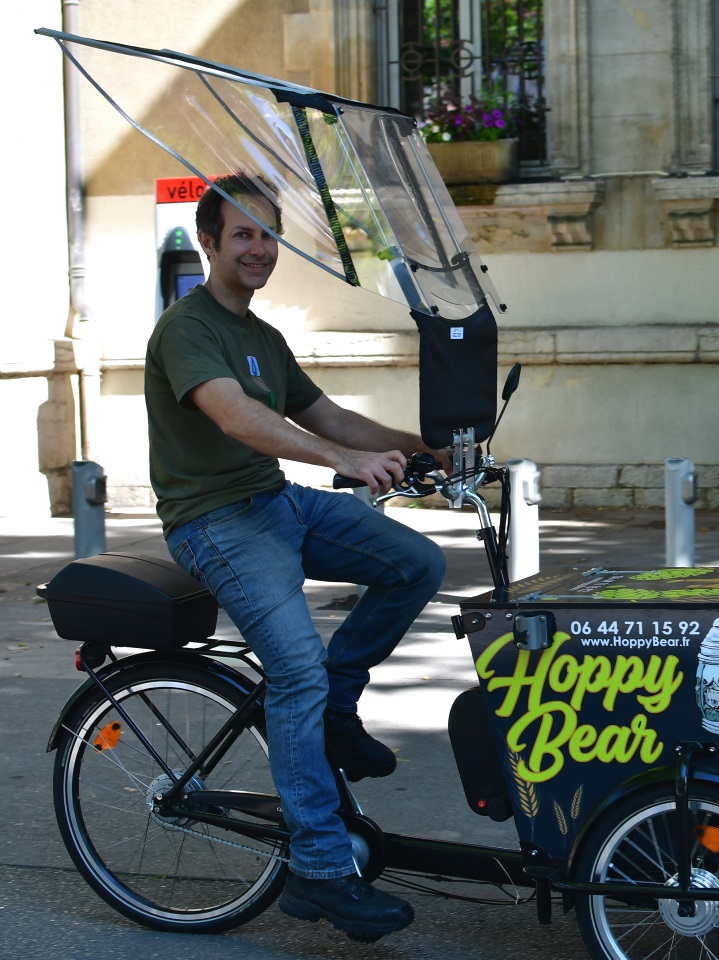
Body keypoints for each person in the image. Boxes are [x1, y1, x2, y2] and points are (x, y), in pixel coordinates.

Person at [145, 171, 448, 940]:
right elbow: (237, 416)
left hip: (277, 505)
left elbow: (332, 416)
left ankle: (338, 711)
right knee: (294, 671)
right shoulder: (187, 329)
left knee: (417, 564)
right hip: (217, 521)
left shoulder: (264, 337)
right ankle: (318, 867)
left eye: (269, 233)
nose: (259, 247)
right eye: (242, 233)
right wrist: (339, 465)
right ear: (206, 242)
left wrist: (429, 450)